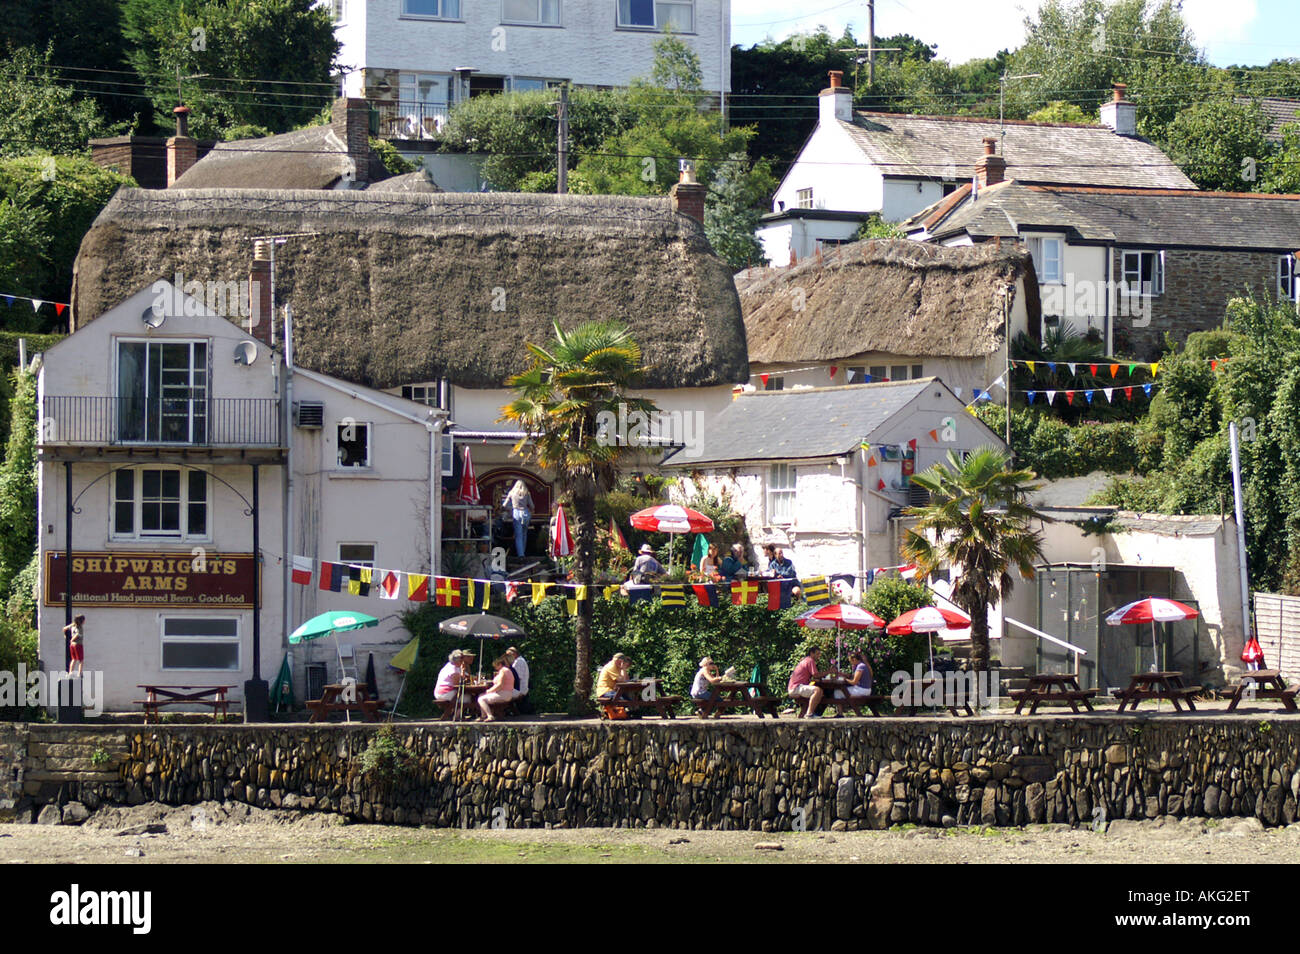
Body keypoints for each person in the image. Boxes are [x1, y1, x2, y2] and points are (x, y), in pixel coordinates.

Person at [788, 646, 827, 718]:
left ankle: (804, 715)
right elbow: (815, 675)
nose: (819, 656)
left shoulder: (806, 660)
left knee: (819, 691)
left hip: (794, 687)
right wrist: (828, 672)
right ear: (812, 653)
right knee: (818, 691)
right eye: (817, 654)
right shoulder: (810, 661)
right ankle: (809, 714)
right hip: (796, 687)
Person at [478, 655, 517, 722]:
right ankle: (483, 716)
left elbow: (500, 685)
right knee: (481, 695)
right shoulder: (507, 670)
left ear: (499, 664)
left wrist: (489, 690)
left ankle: (490, 716)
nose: (495, 668)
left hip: (503, 694)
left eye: (496, 666)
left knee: (481, 699)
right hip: (507, 693)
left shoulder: (503, 671)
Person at [504, 480, 534, 557]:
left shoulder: (512, 492)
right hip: (525, 513)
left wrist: (510, 508)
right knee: (524, 534)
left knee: (518, 535)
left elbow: (504, 505)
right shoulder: (527, 493)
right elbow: (532, 506)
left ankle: (521, 554)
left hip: (516, 512)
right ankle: (522, 552)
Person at [434, 649, 468, 716]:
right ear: (457, 660)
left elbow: (465, 677)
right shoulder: (452, 669)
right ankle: (457, 715)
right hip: (444, 693)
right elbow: (457, 684)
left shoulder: (451, 666)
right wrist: (464, 677)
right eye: (461, 660)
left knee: (463, 696)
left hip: (444, 692)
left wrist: (463, 672)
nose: (462, 662)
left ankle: (455, 714)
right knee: (468, 697)